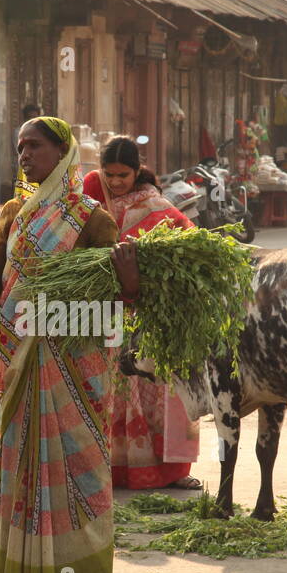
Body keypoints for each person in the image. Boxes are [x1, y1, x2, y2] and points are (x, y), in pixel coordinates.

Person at [0, 115, 139, 573]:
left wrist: (129, 287)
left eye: (34, 146)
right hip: (20, 368)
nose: (24, 155)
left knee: (80, 477)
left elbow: (110, 301)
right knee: (16, 479)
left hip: (74, 372)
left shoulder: (91, 218)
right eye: (19, 147)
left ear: (63, 152)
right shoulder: (12, 214)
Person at [83, 135, 200, 491]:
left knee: (158, 389)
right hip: (103, 308)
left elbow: (186, 242)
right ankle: (111, 469)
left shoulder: (153, 204)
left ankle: (172, 471)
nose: (116, 182)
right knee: (115, 389)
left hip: (147, 310)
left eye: (124, 175)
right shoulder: (92, 189)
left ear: (137, 172)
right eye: (110, 174)